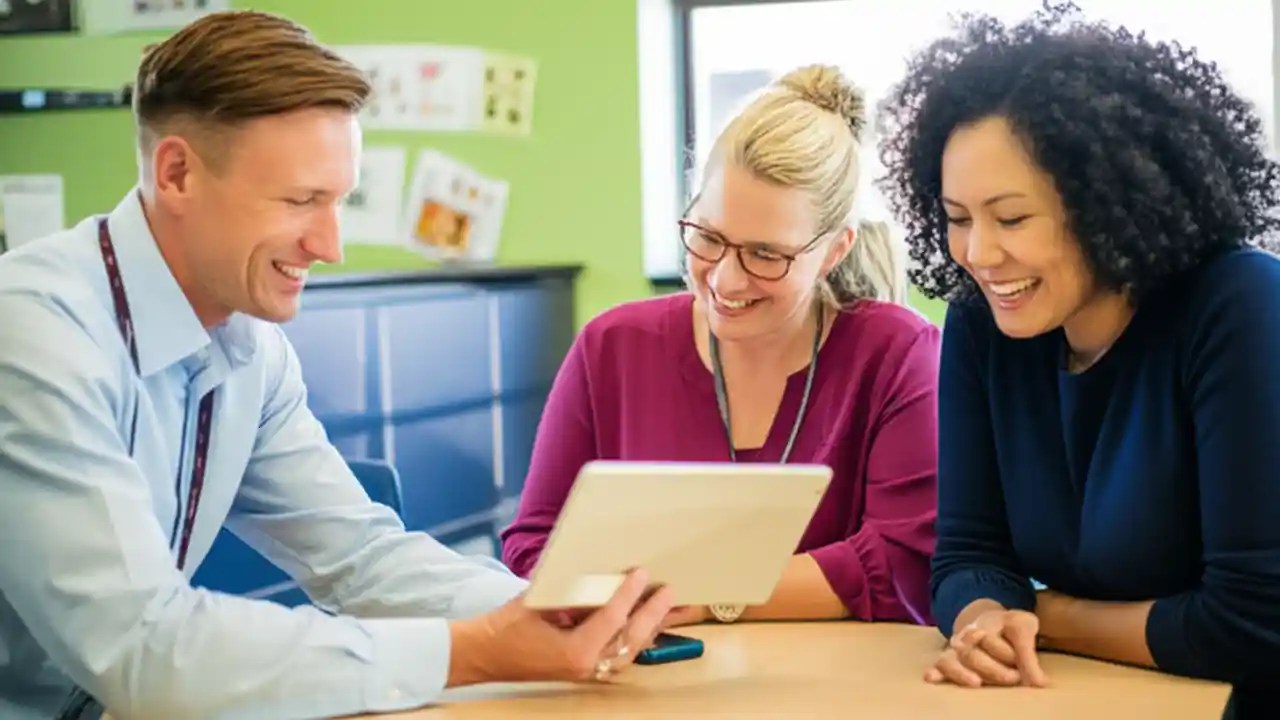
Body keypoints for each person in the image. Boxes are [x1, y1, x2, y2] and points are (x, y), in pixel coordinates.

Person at [0, 11, 674, 720]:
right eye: (300, 201)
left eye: (340, 201)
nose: (330, 245)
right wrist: (476, 649)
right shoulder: (35, 331)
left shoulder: (249, 347)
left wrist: (560, 609)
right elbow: (142, 647)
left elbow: (358, 557)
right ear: (177, 173)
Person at [876, 1, 1280, 713]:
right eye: (957, 219)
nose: (977, 255)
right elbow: (968, 555)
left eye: (1011, 218)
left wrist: (1046, 617)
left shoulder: (1241, 304)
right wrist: (982, 622)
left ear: (1108, 202)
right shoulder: (982, 323)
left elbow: (1256, 625)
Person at [501, 65, 941, 627]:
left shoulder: (898, 353)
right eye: (708, 238)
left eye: (766, 254)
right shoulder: (610, 347)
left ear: (833, 251)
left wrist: (707, 599)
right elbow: (534, 545)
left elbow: (904, 564)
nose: (726, 281)